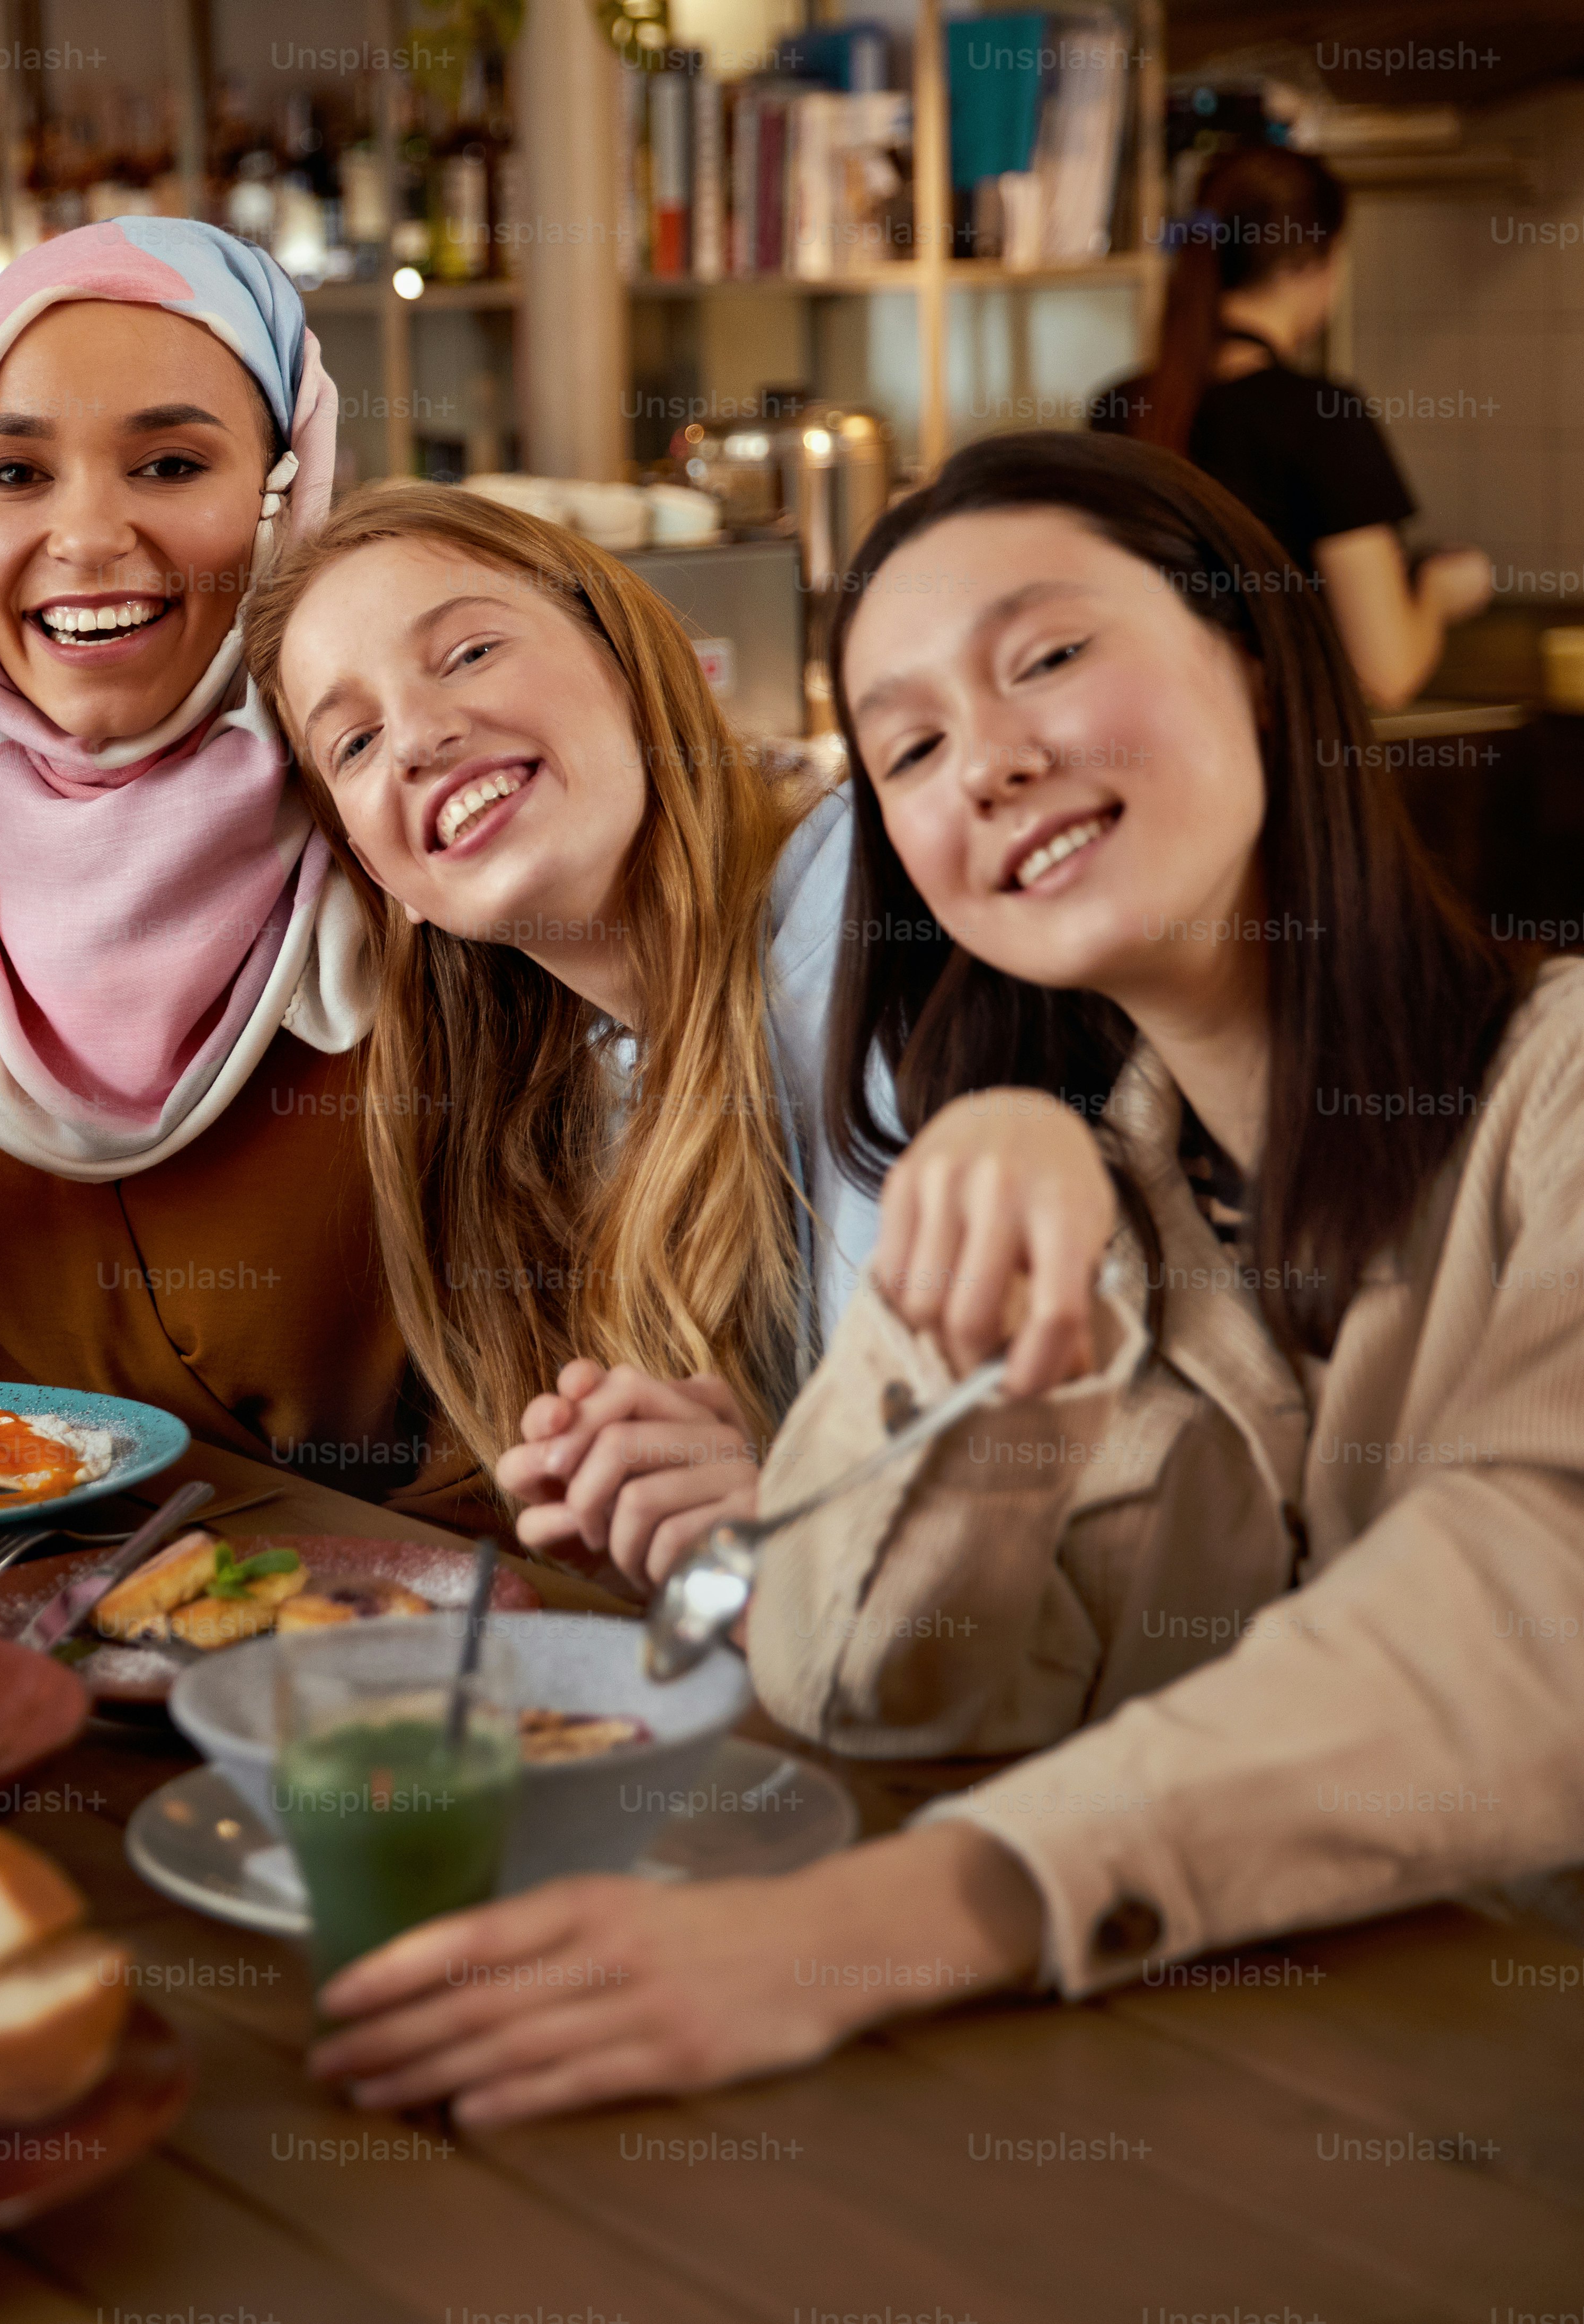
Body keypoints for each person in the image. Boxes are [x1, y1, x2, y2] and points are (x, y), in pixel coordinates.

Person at [296, 430, 1584, 2127]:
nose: (981, 761)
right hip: (1262, 2075)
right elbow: (888, 1676)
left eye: (1047, 656)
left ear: (1260, 659)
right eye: (905, 742)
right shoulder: (1102, 1188)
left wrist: (844, 1937)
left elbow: (1523, 1603)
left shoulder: (1553, 1084)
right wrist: (966, 1347)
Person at [0, 217, 478, 1516]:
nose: (87, 535)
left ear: (288, 488)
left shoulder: (409, 817)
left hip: (373, 1652)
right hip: (2, 1638)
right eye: (13, 474)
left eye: (170, 462)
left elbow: (527, 1409)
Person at [237, 482, 880, 1591]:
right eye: (353, 741)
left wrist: (804, 1518)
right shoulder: (556, 1106)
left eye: (471, 651)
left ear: (626, 652)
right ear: (385, 876)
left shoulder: (872, 921)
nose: (422, 737)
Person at [1094, 142, 1489, 709]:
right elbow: (1385, 674)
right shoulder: (1321, 417)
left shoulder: (1117, 405)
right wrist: (1437, 595)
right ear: (1310, 262)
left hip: (1150, 740)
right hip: (1272, 768)